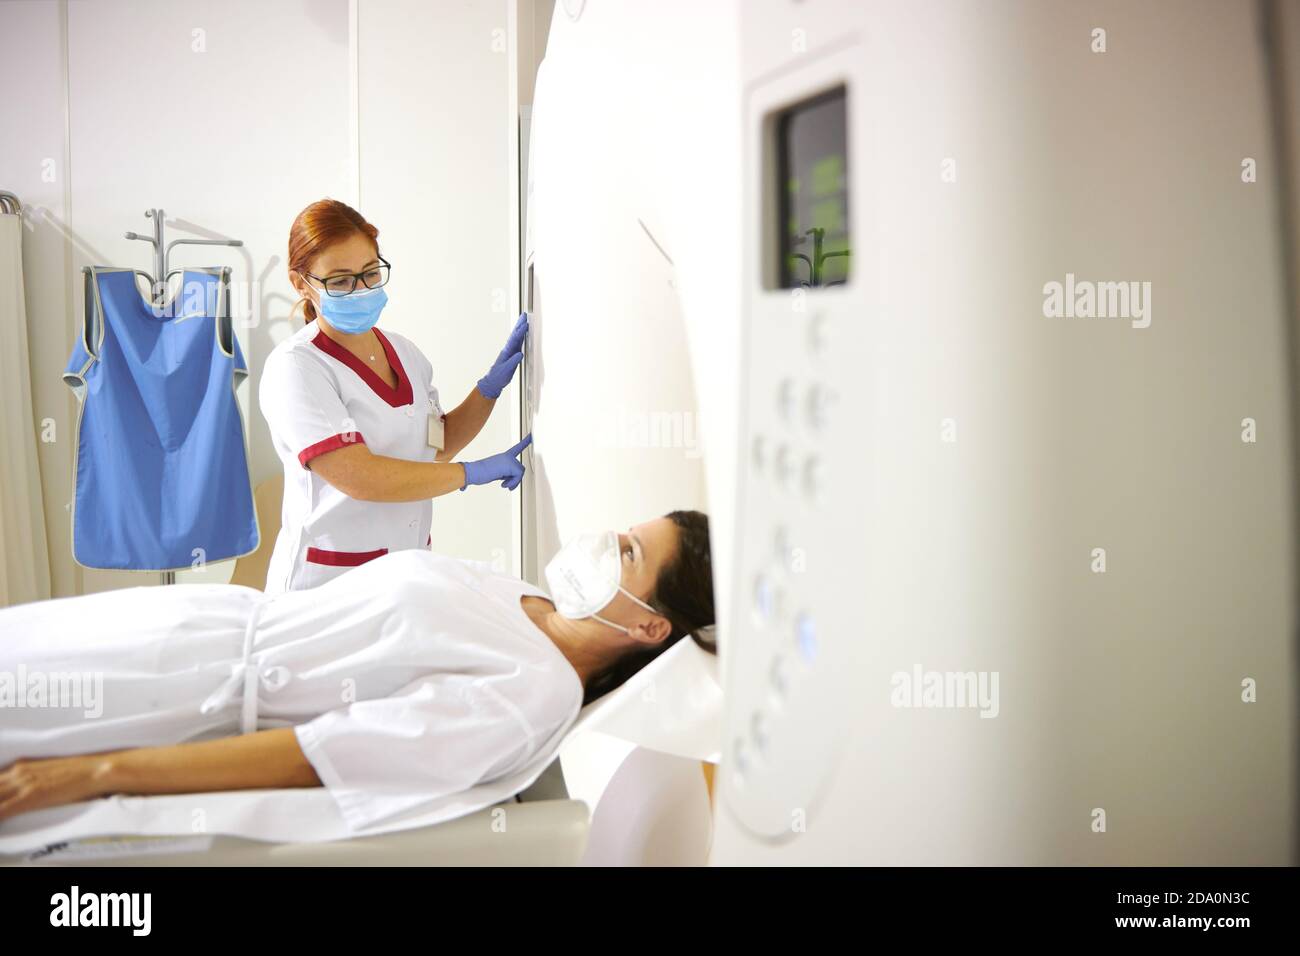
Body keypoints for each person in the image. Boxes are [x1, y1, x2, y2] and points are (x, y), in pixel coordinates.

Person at [0, 512, 715, 831]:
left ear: (650, 626)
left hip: (180, 700)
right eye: (625, 531)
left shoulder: (534, 696)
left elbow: (316, 758)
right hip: (193, 628)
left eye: (627, 551)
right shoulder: (524, 595)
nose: (605, 538)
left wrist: (97, 775)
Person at [261, 198, 531, 593]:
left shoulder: (406, 353)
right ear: (301, 283)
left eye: (370, 273)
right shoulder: (297, 367)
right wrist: (470, 476)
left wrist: (488, 390)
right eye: (340, 280)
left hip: (408, 572)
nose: (360, 290)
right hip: (329, 584)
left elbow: (435, 447)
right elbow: (360, 477)